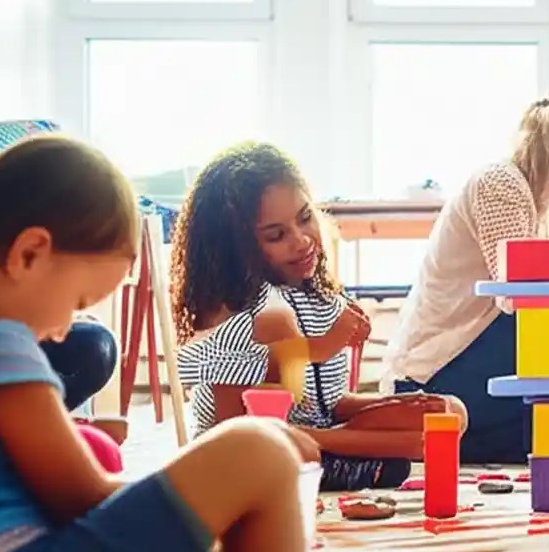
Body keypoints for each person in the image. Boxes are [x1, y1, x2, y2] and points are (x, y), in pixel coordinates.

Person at [0, 136, 337, 552]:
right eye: (78, 302)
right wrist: (210, 504)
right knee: (257, 448)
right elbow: (80, 496)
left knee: (103, 456)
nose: (64, 329)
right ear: (29, 254)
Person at [171, 142, 465, 490]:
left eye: (305, 218)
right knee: (411, 447)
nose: (301, 240)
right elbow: (234, 428)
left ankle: (321, 447)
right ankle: (322, 452)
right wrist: (327, 344)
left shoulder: (310, 295)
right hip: (249, 449)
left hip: (306, 433)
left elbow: (325, 404)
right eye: (276, 235)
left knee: (449, 413)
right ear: (235, 249)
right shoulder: (247, 315)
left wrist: (397, 404)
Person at [383, 82, 549, 464]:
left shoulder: (545, 196)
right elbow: (518, 294)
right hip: (434, 374)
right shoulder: (501, 182)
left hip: (477, 359)